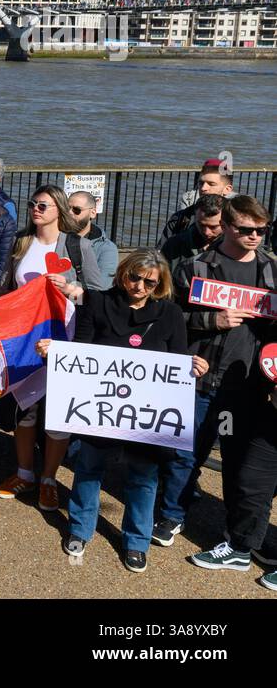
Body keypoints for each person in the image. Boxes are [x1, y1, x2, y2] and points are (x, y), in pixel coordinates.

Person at [43, 250, 199, 573]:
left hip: (144, 415)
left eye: (149, 282)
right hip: (101, 408)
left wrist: (195, 367)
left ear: (159, 285)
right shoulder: (98, 303)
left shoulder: (169, 314)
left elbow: (179, 360)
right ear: (123, 273)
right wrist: (57, 353)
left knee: (143, 479)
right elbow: (82, 350)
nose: (139, 286)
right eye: (134, 277)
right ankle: (80, 528)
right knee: (89, 469)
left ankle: (136, 541)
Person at [169, 196, 277, 553]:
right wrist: (209, 320)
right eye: (247, 230)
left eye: (262, 230)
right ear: (228, 226)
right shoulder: (194, 267)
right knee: (187, 454)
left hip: (244, 389)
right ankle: (172, 515)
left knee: (234, 458)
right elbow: (168, 320)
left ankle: (232, 536)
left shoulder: (272, 272)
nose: (255, 237)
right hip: (200, 381)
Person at [0, 184, 104, 512]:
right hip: (26, 338)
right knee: (24, 408)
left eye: (43, 205)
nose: (36, 210)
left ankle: (49, 480)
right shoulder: (20, 243)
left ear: (57, 208)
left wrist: (72, 288)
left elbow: (99, 293)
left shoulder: (76, 246)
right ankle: (24, 473)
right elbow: (9, 289)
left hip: (65, 335)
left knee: (58, 412)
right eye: (33, 204)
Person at [160, 164, 234, 246]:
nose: (203, 188)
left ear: (227, 189)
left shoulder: (237, 218)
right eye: (201, 183)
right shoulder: (180, 218)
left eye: (211, 184)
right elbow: (162, 251)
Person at [160, 193, 225, 273]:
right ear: (195, 217)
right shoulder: (174, 244)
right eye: (201, 225)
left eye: (213, 227)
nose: (206, 232)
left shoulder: (236, 248)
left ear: (226, 223)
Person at [69, 190, 118, 287]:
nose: (69, 213)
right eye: (66, 209)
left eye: (76, 210)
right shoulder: (55, 237)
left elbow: (102, 286)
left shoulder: (106, 249)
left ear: (93, 213)